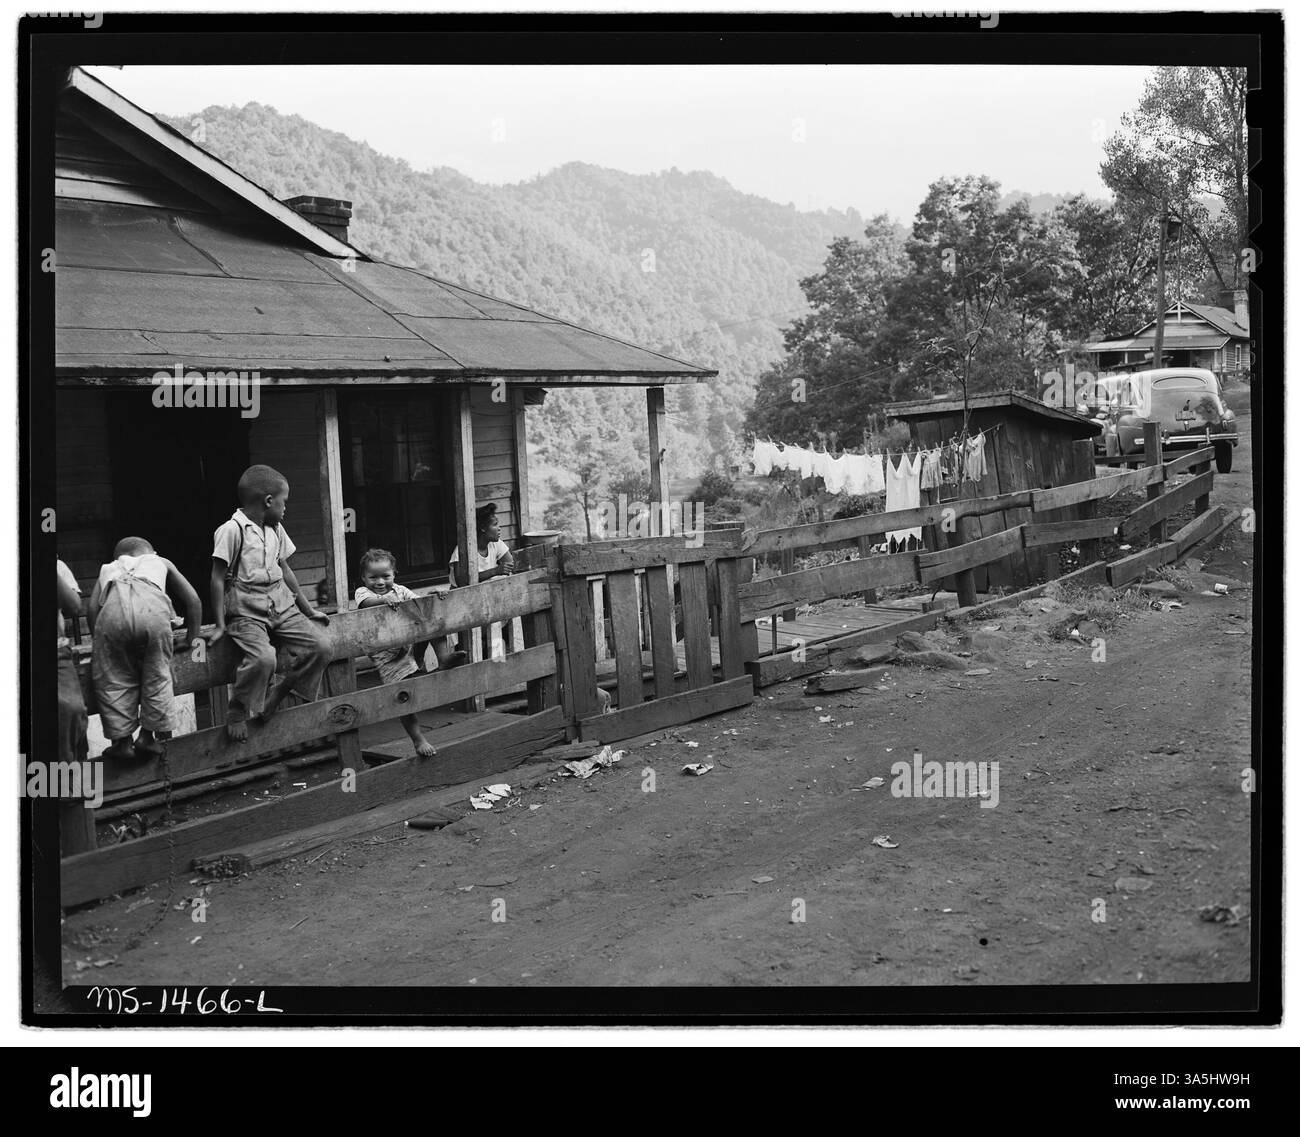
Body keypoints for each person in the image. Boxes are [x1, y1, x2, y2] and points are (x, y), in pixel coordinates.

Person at [209, 464, 332, 742]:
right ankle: (238, 709)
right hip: (245, 606)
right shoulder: (231, 530)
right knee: (264, 658)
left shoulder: (275, 529)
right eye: (284, 502)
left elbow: (286, 571)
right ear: (268, 501)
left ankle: (281, 691)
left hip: (280, 601)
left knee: (321, 647)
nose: (285, 508)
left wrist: (308, 610)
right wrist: (219, 623)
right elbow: (217, 578)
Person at [87, 537, 203, 760]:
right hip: (153, 616)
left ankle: (122, 742)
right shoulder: (161, 562)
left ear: (118, 557)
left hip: (112, 618)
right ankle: (147, 737)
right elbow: (194, 601)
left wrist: (102, 648)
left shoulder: (108, 568)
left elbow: (92, 611)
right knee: (158, 675)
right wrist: (192, 639)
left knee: (113, 679)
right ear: (153, 553)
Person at [353, 547, 460, 758]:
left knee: (432, 620)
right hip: (387, 655)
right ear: (363, 577)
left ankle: (444, 657)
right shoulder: (364, 593)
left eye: (386, 576)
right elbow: (367, 603)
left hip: (407, 643)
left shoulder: (400, 590)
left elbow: (417, 603)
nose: (380, 582)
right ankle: (418, 739)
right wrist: (382, 601)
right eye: (373, 577)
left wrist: (433, 595)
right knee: (404, 698)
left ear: (394, 574)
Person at [56, 559, 89, 766]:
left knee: (73, 710)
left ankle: (72, 782)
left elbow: (75, 607)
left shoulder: (57, 566)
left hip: (55, 650)